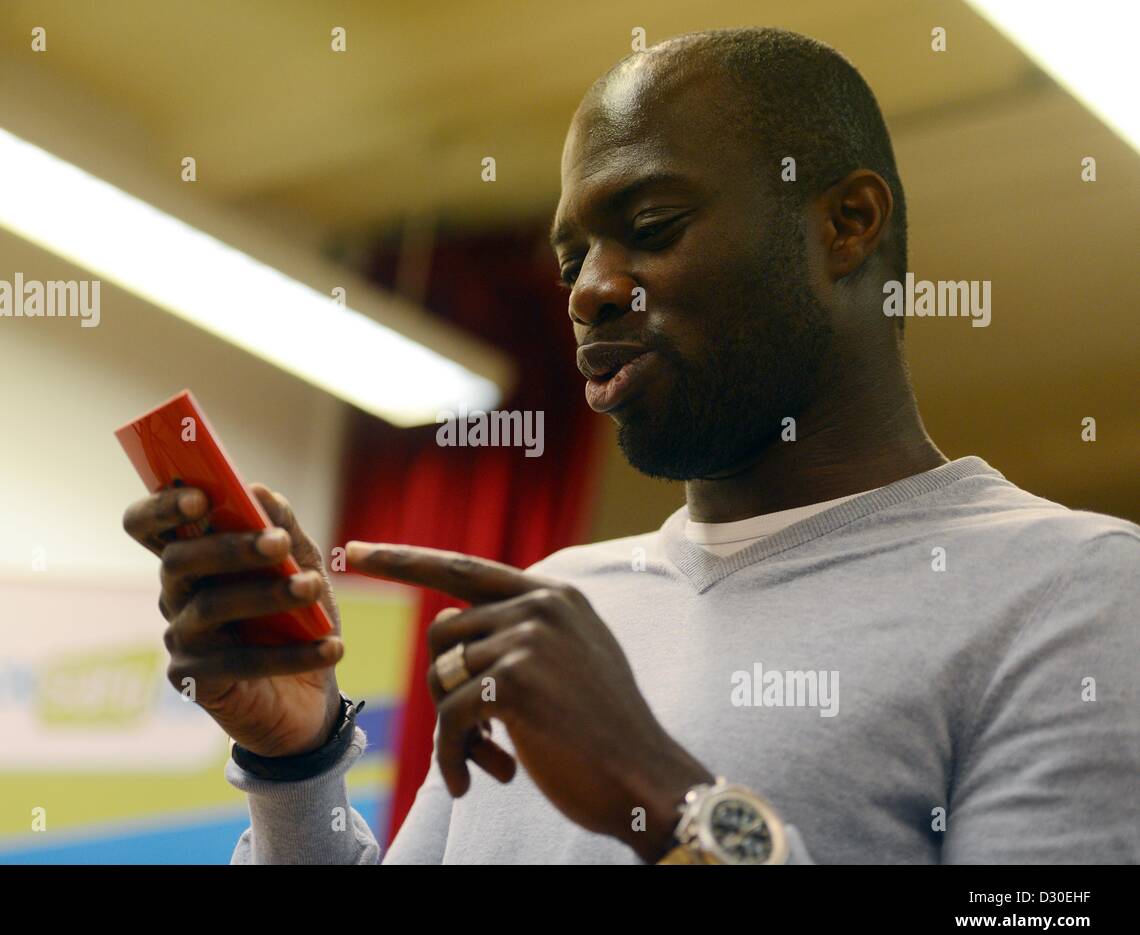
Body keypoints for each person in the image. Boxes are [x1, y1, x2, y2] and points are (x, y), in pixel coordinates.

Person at [121, 27, 1139, 864]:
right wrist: (299, 760)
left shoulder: (1074, 594)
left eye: (650, 224)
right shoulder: (557, 603)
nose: (589, 289)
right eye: (571, 256)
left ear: (846, 224)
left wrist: (666, 800)